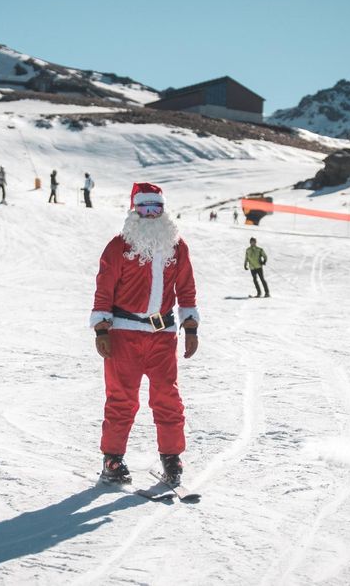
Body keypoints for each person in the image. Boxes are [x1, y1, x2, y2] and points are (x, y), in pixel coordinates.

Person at [91, 183, 199, 486]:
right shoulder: (118, 246)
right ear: (134, 210)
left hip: (162, 335)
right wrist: (102, 328)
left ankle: (171, 458)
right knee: (121, 399)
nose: (150, 215)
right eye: (144, 208)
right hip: (124, 334)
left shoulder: (177, 247)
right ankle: (112, 459)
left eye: (156, 209)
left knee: (168, 398)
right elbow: (104, 289)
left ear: (163, 211)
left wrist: (190, 326)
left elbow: (186, 289)